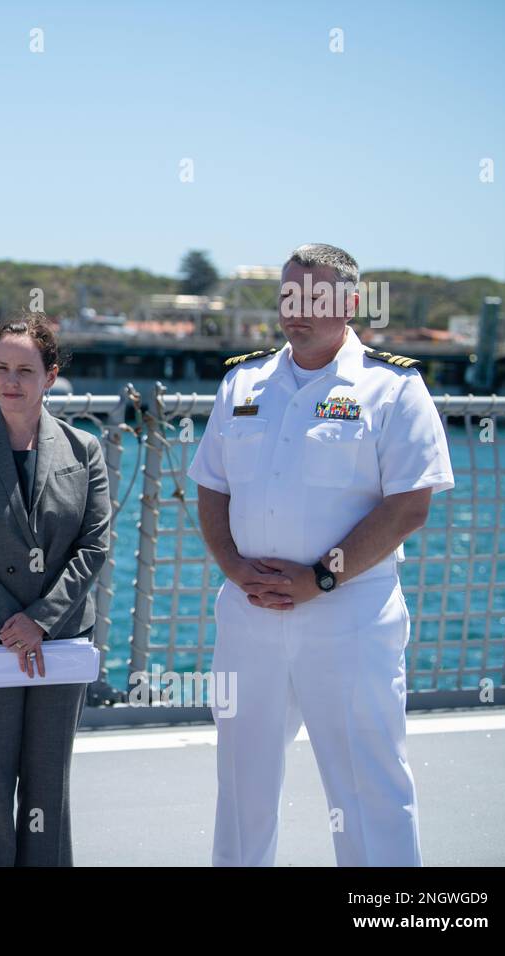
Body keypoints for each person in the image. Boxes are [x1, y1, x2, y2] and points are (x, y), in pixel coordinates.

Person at [188, 242, 454, 866]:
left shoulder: (393, 387)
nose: (296, 309)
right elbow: (211, 485)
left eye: (313, 295)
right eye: (288, 295)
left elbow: (408, 506)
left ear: (351, 303)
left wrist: (320, 579)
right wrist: (231, 567)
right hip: (249, 614)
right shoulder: (243, 381)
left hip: (349, 616)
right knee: (241, 783)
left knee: (368, 787)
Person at [0, 312, 111, 866]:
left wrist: (41, 620)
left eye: (25, 370)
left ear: (50, 376)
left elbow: (95, 545)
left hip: (58, 641)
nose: (10, 381)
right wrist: (12, 623)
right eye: (1, 368)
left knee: (47, 780)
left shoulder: (84, 451)